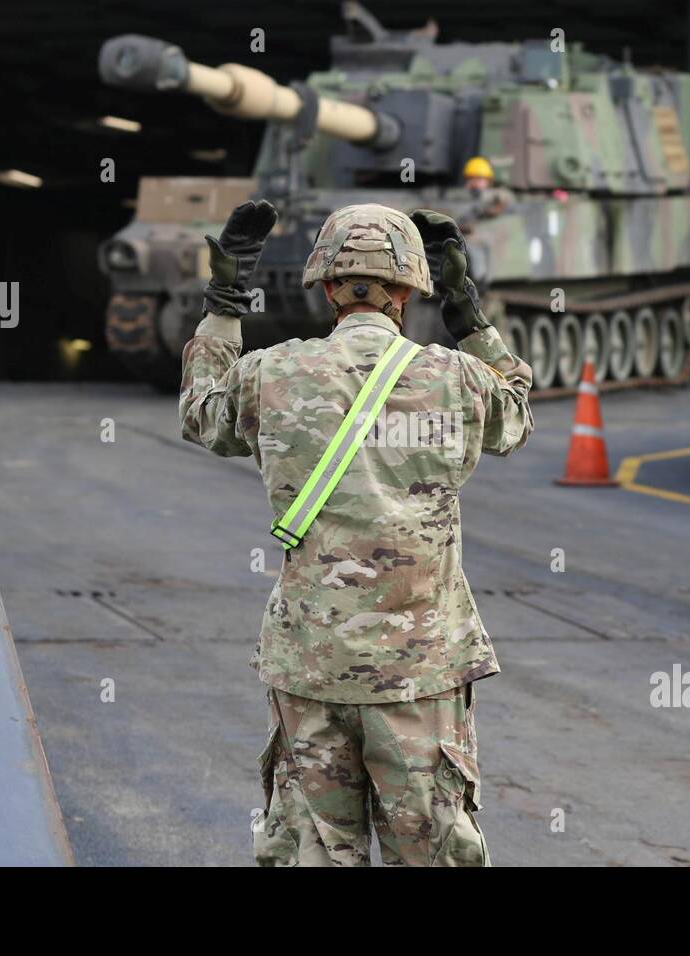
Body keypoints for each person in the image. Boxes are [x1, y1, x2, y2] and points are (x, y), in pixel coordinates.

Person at [178, 201, 533, 866]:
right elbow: (514, 413)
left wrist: (225, 301)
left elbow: (201, 414)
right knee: (429, 853)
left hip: (311, 668)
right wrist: (467, 311)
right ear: (408, 290)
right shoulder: (455, 378)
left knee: (314, 854)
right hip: (419, 677)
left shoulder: (270, 374)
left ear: (327, 287)